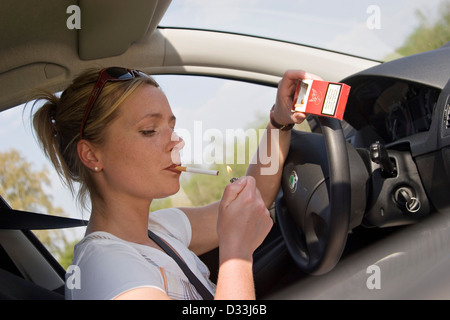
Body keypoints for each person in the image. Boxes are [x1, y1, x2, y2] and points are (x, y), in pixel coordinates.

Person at [32, 67, 318, 300]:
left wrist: (279, 122)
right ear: (92, 155)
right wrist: (237, 254)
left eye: (171, 126)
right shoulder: (104, 270)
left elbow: (256, 194)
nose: (176, 141)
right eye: (149, 130)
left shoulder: (159, 229)